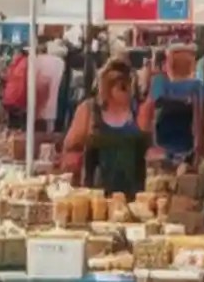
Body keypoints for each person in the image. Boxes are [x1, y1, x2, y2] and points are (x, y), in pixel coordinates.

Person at [63, 59, 149, 198]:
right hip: (97, 192)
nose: (125, 91)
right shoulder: (90, 110)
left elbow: (150, 146)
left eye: (126, 86)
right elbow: (70, 145)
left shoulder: (138, 111)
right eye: (119, 86)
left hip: (135, 190)